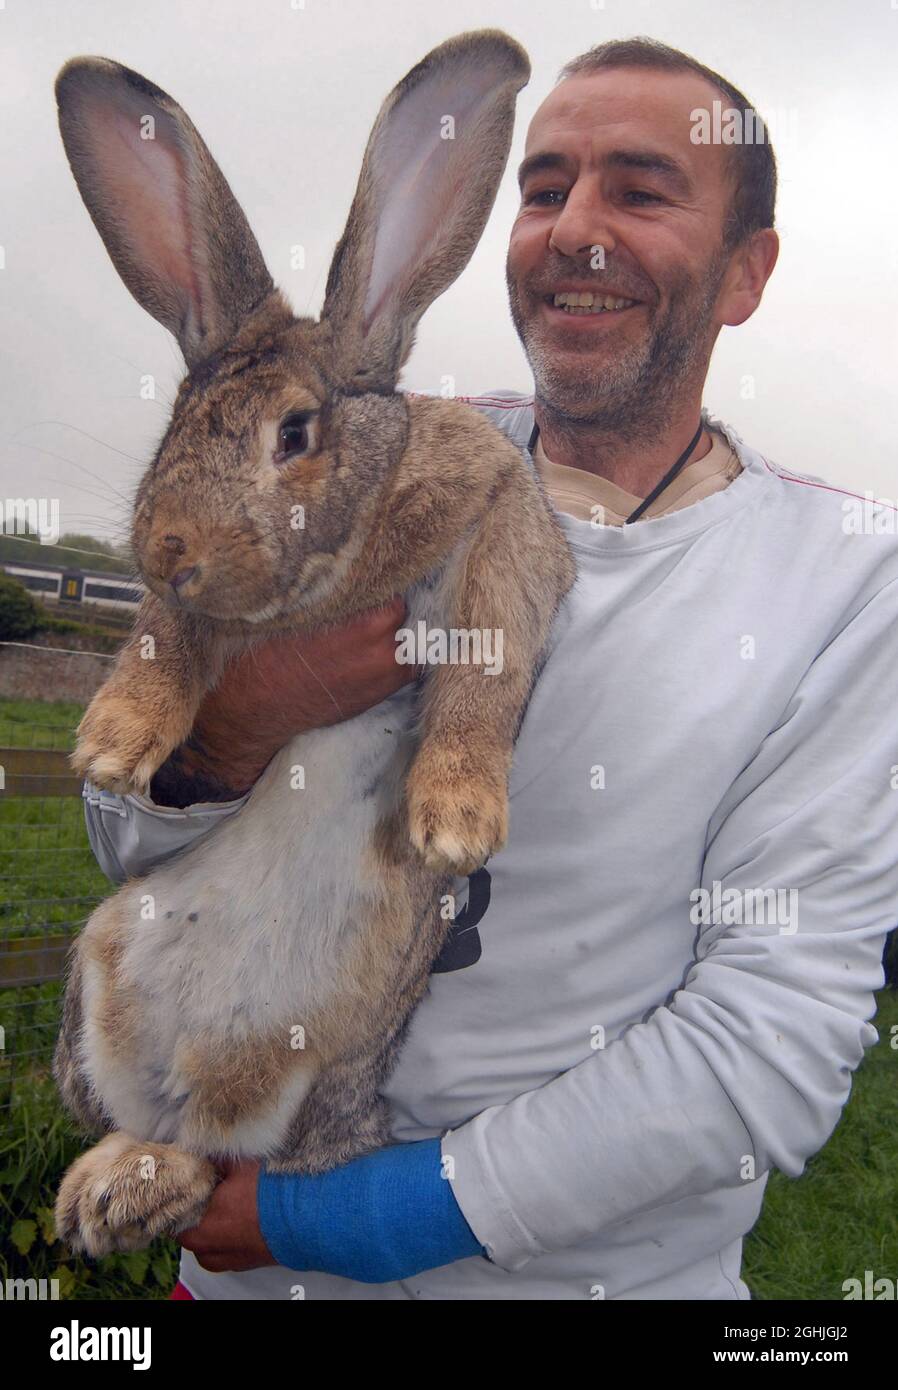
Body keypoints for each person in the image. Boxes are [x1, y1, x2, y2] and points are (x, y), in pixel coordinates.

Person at [83, 38, 898, 1300]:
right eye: (541, 187)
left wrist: (348, 1219)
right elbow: (125, 842)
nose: (575, 229)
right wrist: (228, 735)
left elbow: (774, 1042)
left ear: (747, 274)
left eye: (639, 189)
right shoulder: (357, 474)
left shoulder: (843, 580)